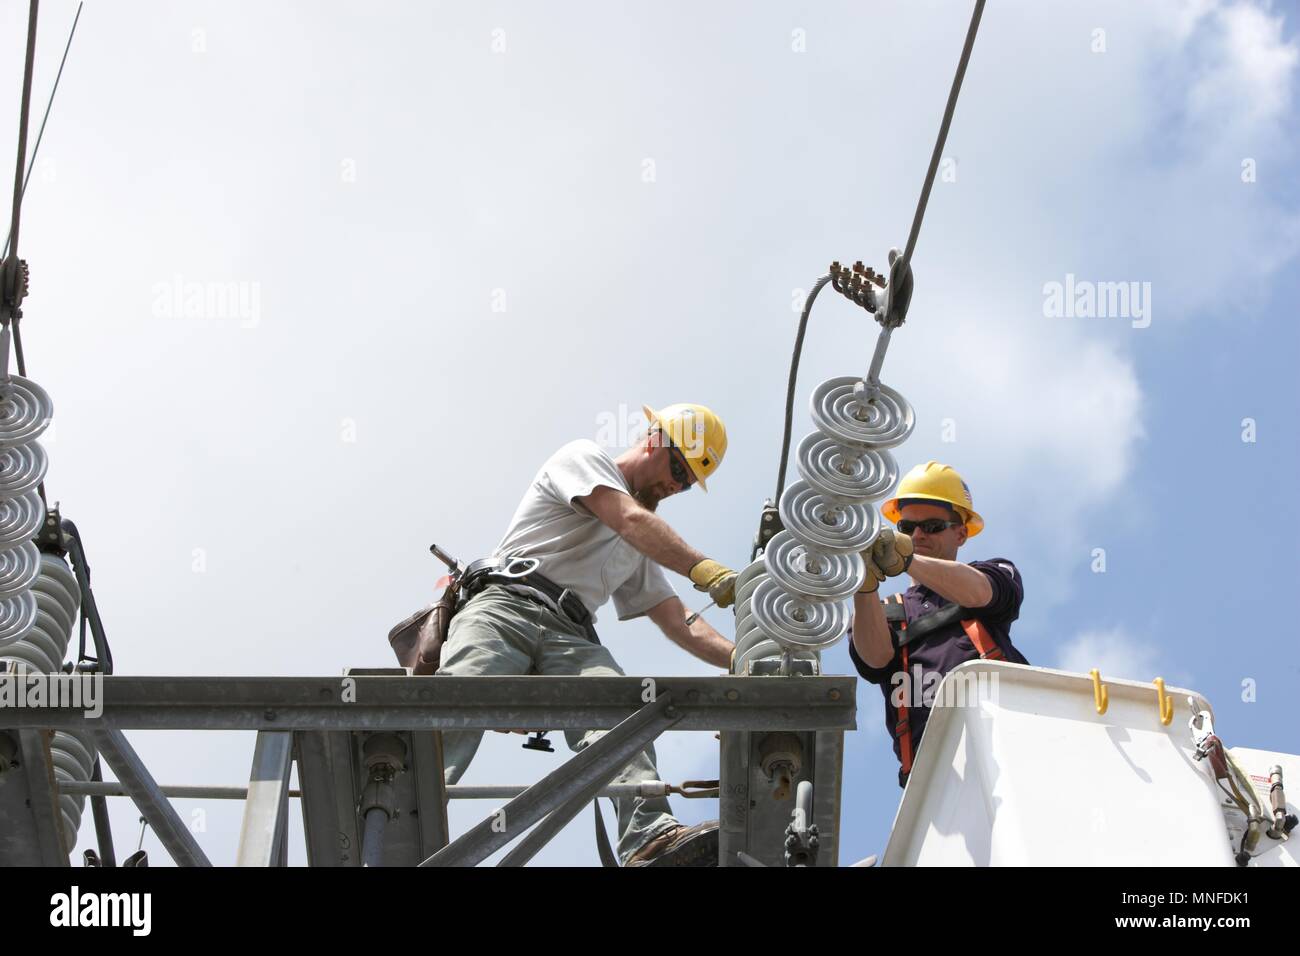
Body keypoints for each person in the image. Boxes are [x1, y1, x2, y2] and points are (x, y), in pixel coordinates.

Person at [436, 403, 738, 866]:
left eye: (686, 482)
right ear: (654, 438)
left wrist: (742, 658)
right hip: (504, 605)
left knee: (620, 708)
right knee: (460, 696)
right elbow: (627, 519)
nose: (675, 485)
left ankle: (649, 839)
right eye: (677, 467)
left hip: (570, 634)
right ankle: (399, 810)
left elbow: (680, 621)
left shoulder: (637, 545)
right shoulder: (585, 459)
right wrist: (701, 567)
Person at [848, 461, 1028, 787]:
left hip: (1006, 742)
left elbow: (978, 591)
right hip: (934, 779)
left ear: (961, 533)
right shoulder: (882, 608)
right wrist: (864, 584)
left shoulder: (994, 573)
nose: (916, 535)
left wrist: (906, 560)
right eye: (905, 528)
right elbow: (875, 659)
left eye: (931, 526)